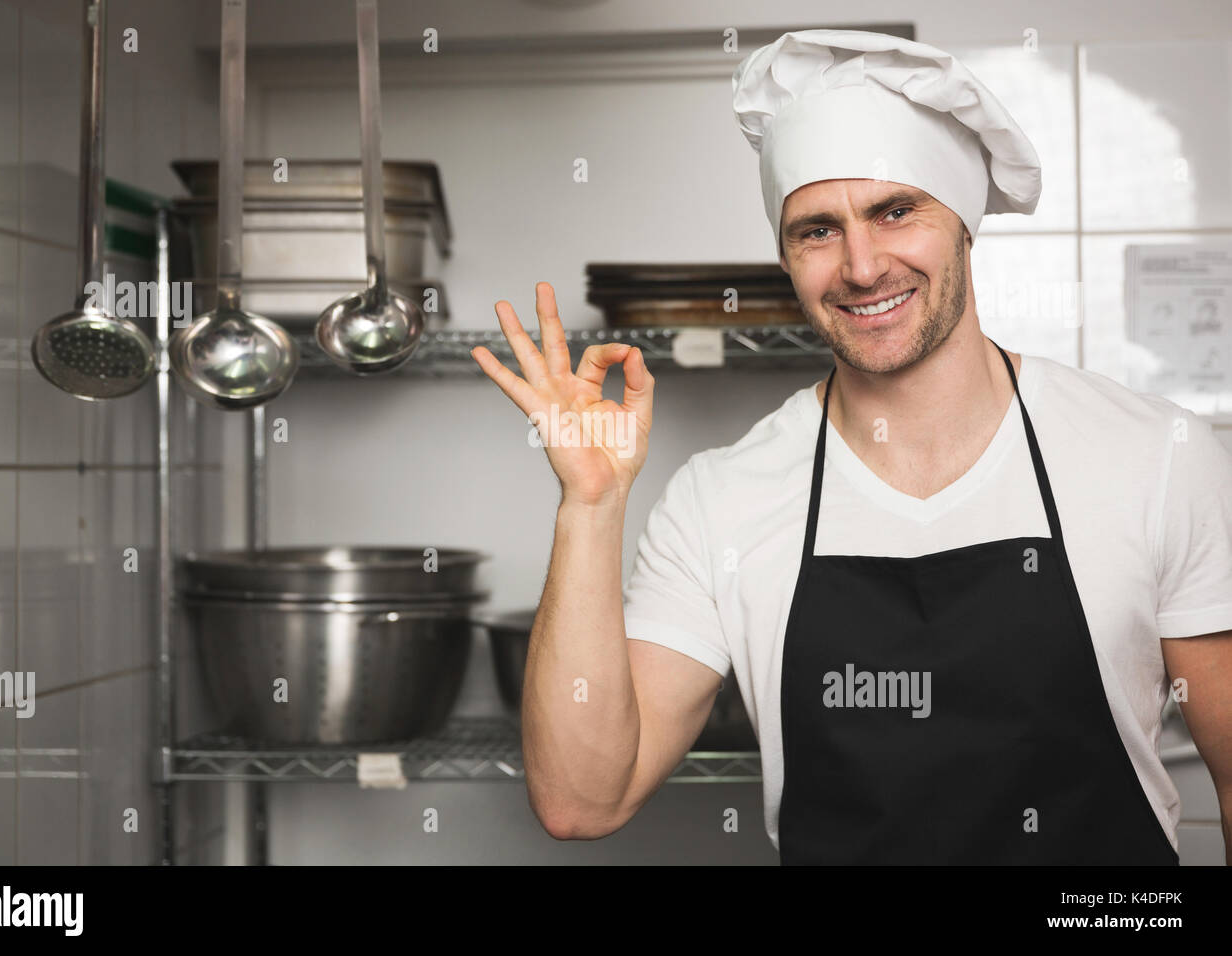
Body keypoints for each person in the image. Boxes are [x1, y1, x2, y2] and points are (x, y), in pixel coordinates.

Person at [471, 29, 1232, 865]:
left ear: (964, 226)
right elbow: (584, 799)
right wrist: (590, 504)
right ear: (787, 257)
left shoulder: (1154, 456)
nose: (863, 266)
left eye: (895, 211)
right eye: (817, 231)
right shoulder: (722, 498)